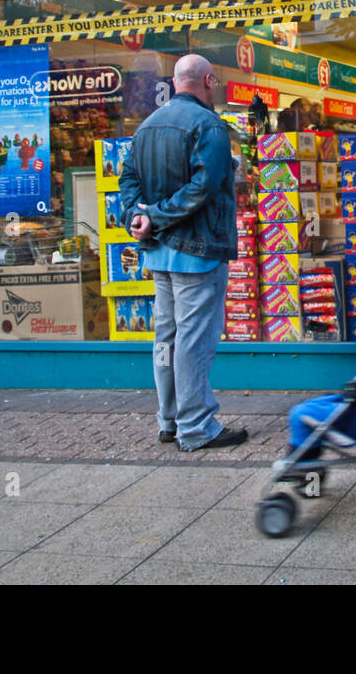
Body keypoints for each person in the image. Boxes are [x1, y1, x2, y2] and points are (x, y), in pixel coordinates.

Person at [121, 54, 247, 452]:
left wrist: (137, 215)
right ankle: (196, 427)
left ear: (176, 82)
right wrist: (154, 216)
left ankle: (169, 420)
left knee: (167, 337)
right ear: (208, 81)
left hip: (158, 252)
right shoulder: (209, 125)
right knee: (193, 340)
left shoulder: (145, 127)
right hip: (198, 250)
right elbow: (204, 187)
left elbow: (127, 180)